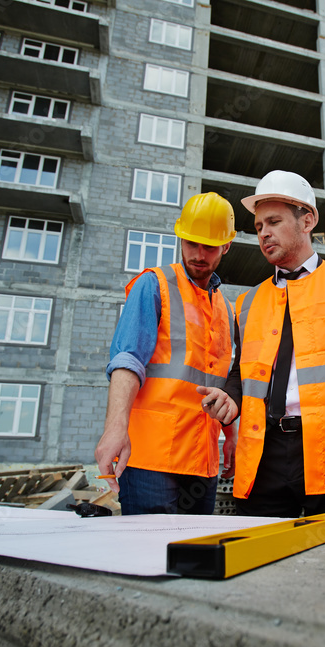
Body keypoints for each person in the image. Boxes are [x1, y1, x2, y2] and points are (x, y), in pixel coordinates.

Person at [198, 171, 325, 517]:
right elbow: (245, 370)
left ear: (308, 221)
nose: (264, 233)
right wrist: (231, 397)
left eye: (273, 221)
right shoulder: (249, 302)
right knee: (259, 557)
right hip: (263, 455)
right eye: (258, 227)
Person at [95, 192, 238, 515]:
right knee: (149, 558)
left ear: (226, 246)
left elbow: (224, 382)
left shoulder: (227, 311)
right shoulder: (155, 286)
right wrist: (115, 427)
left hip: (203, 462)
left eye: (210, 246)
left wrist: (232, 435)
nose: (199, 255)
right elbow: (127, 360)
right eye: (191, 244)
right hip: (150, 458)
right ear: (181, 238)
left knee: (192, 561)